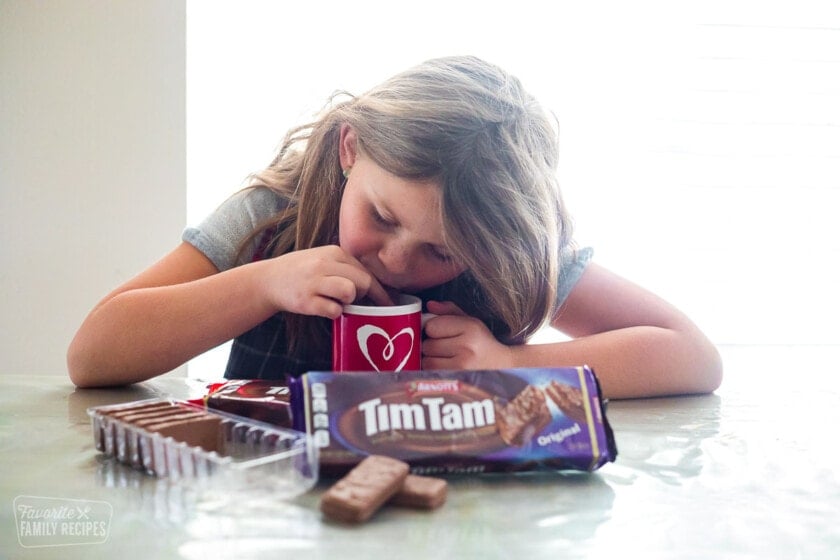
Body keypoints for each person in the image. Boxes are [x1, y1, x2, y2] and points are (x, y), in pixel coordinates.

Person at [67, 55, 722, 399]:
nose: (400, 261)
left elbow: (692, 357)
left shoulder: (503, 252)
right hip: (275, 508)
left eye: (441, 250)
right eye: (381, 217)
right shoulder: (274, 220)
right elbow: (92, 356)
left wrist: (510, 365)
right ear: (351, 150)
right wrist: (263, 284)